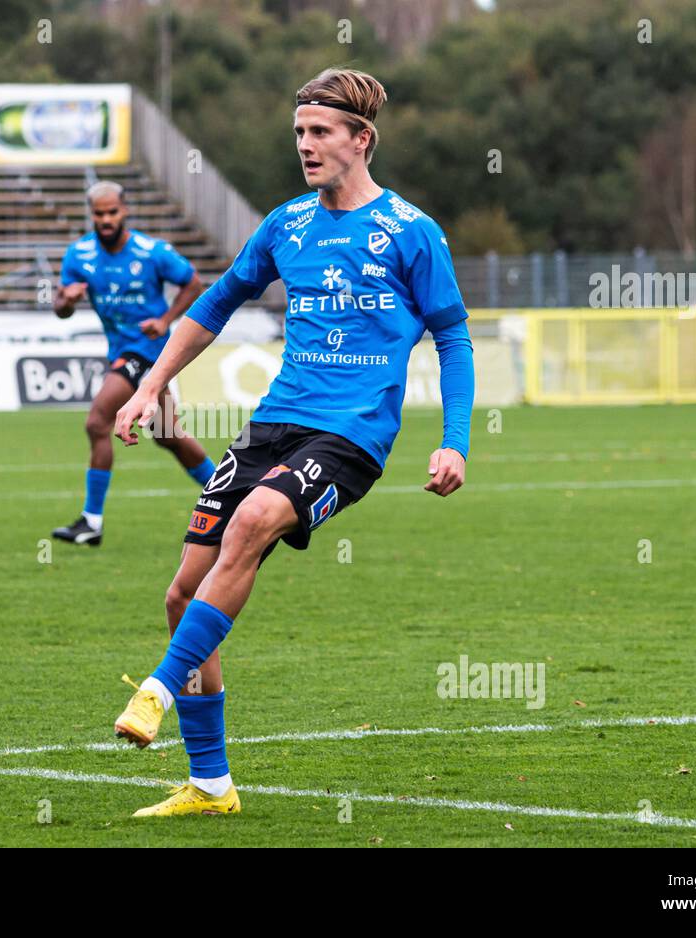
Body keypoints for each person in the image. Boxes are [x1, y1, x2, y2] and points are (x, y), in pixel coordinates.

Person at [110, 68, 476, 817]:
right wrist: (150, 385)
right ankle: (212, 786)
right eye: (299, 133)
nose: (304, 146)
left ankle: (156, 689)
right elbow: (214, 305)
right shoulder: (288, 225)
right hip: (275, 423)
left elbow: (454, 337)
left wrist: (454, 441)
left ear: (360, 139)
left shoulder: (411, 232)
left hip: (352, 434)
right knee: (184, 595)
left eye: (319, 133)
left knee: (253, 523)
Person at [51, 181, 216, 547]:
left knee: (97, 421)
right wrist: (65, 299)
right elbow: (61, 311)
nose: (106, 219)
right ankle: (230, 494)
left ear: (124, 211)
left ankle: (91, 521)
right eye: (99, 214)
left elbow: (193, 283)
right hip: (123, 351)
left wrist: (166, 320)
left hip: (148, 351)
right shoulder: (78, 256)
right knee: (168, 435)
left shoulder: (151, 251)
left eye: (112, 212)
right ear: (91, 215)